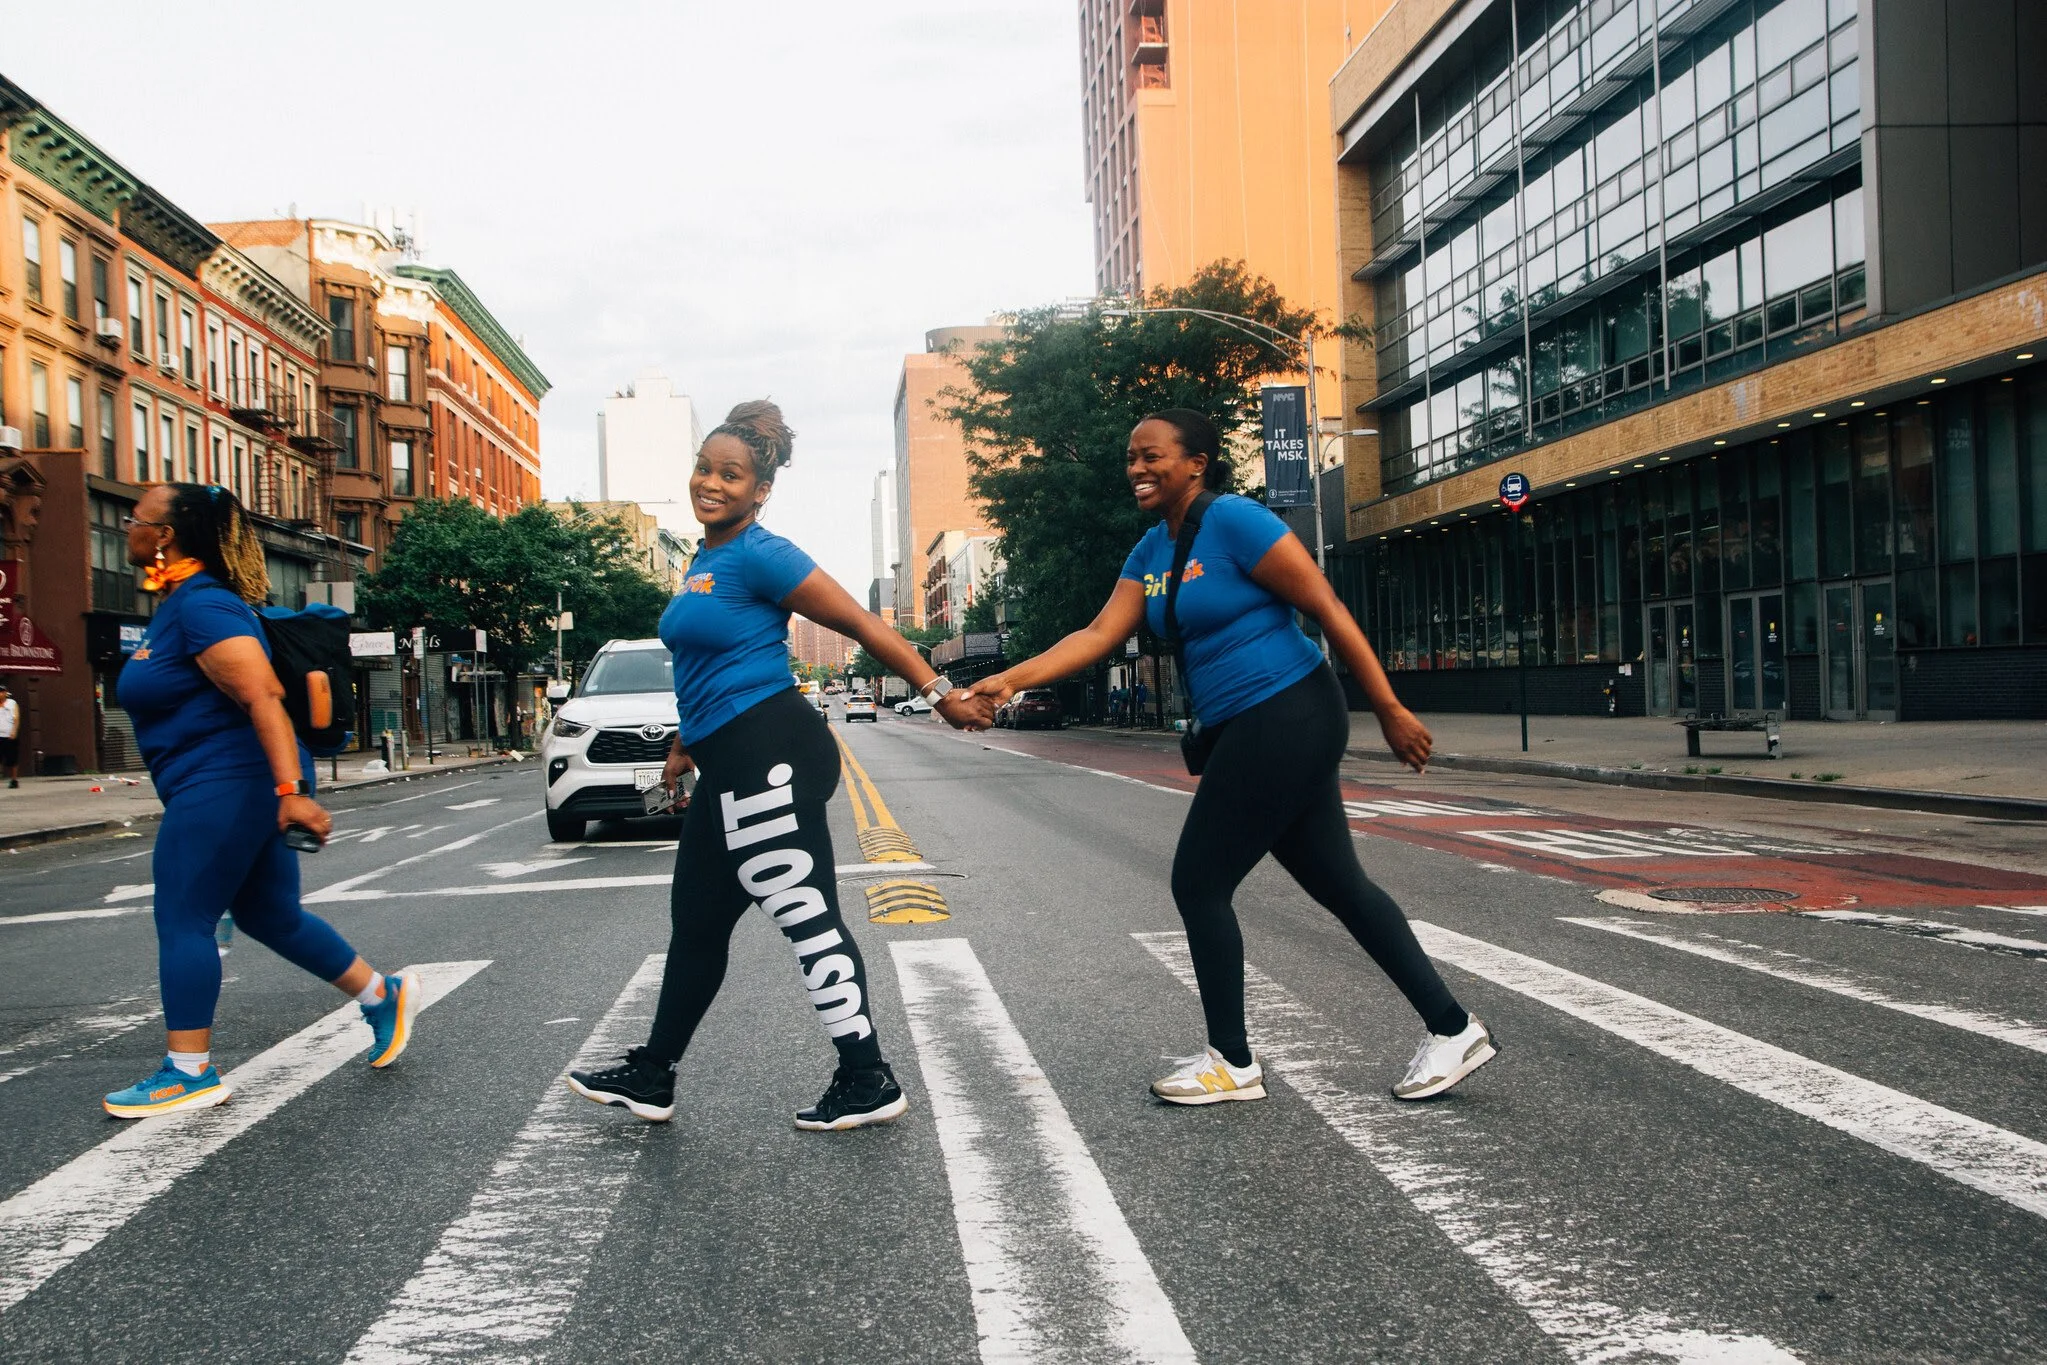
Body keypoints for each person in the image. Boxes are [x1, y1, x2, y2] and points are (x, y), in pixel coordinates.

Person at [970, 409, 1496, 1104]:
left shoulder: (1236, 522)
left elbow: (1326, 607)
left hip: (1286, 710)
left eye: (1150, 455)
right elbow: (1098, 631)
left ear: (1196, 461)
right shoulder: (1150, 550)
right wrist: (1011, 677)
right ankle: (1452, 1027)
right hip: (1245, 724)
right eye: (1129, 457)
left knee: (1199, 880)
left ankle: (1232, 1061)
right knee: (1339, 884)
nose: (1135, 468)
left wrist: (1389, 707)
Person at [568, 401, 994, 1130]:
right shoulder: (704, 558)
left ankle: (867, 1076)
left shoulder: (762, 553)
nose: (711, 483)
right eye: (704, 467)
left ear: (759, 489)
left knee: (804, 913)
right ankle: (653, 1073)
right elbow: (712, 664)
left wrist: (940, 690)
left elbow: (861, 623)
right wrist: (684, 742)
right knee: (697, 922)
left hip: (768, 752)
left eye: (730, 474)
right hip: (728, 754)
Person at [103, 484, 418, 1119]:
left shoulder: (203, 608)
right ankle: (380, 994)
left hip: (230, 780)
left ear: (165, 536)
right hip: (232, 780)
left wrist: (291, 793)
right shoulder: (179, 603)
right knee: (270, 915)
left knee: (185, 916)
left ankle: (188, 1069)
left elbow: (264, 696)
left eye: (137, 516)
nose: (127, 523)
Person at [0, 679, 19, 788]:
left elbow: (16, 718)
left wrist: (14, 730)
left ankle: (14, 780)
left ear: (6, 693)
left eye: (2, 692)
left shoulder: (12, 704)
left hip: (9, 735)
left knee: (12, 759)